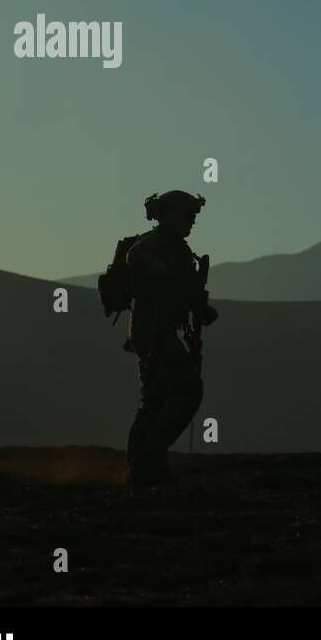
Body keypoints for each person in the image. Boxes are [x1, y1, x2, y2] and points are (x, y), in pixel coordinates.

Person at [124, 190, 218, 485]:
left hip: (157, 330)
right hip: (153, 330)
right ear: (167, 215)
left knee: (155, 398)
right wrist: (163, 274)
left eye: (193, 217)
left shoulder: (177, 249)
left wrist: (200, 308)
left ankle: (143, 467)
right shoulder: (153, 243)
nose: (191, 222)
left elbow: (182, 290)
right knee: (187, 390)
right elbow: (135, 258)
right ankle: (148, 462)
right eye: (186, 216)